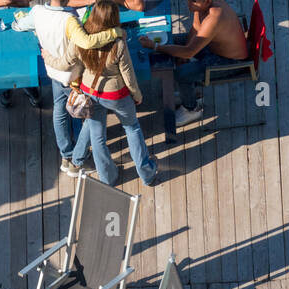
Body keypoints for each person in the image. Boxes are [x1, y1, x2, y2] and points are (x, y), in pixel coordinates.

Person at [65, 1, 158, 187]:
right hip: (116, 95)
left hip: (90, 92)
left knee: (97, 136)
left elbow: (69, 62)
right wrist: (137, 95)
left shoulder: (82, 38)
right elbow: (128, 75)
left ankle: (108, 177)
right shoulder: (118, 43)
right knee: (132, 129)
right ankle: (147, 174)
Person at [29, 0, 127, 173]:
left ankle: (66, 155)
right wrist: (115, 32)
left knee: (59, 112)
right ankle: (78, 161)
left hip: (54, 72)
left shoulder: (36, 11)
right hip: (73, 77)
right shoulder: (69, 20)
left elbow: (25, 25)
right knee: (93, 115)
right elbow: (87, 42)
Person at [140, 0, 250, 125]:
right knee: (171, 42)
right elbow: (195, 29)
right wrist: (183, 54)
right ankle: (189, 93)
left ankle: (191, 108)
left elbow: (189, 52)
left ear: (208, 1)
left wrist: (155, 46)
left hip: (230, 61)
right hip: (214, 47)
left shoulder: (214, 17)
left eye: (194, 1)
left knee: (182, 74)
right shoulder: (201, 7)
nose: (189, 3)